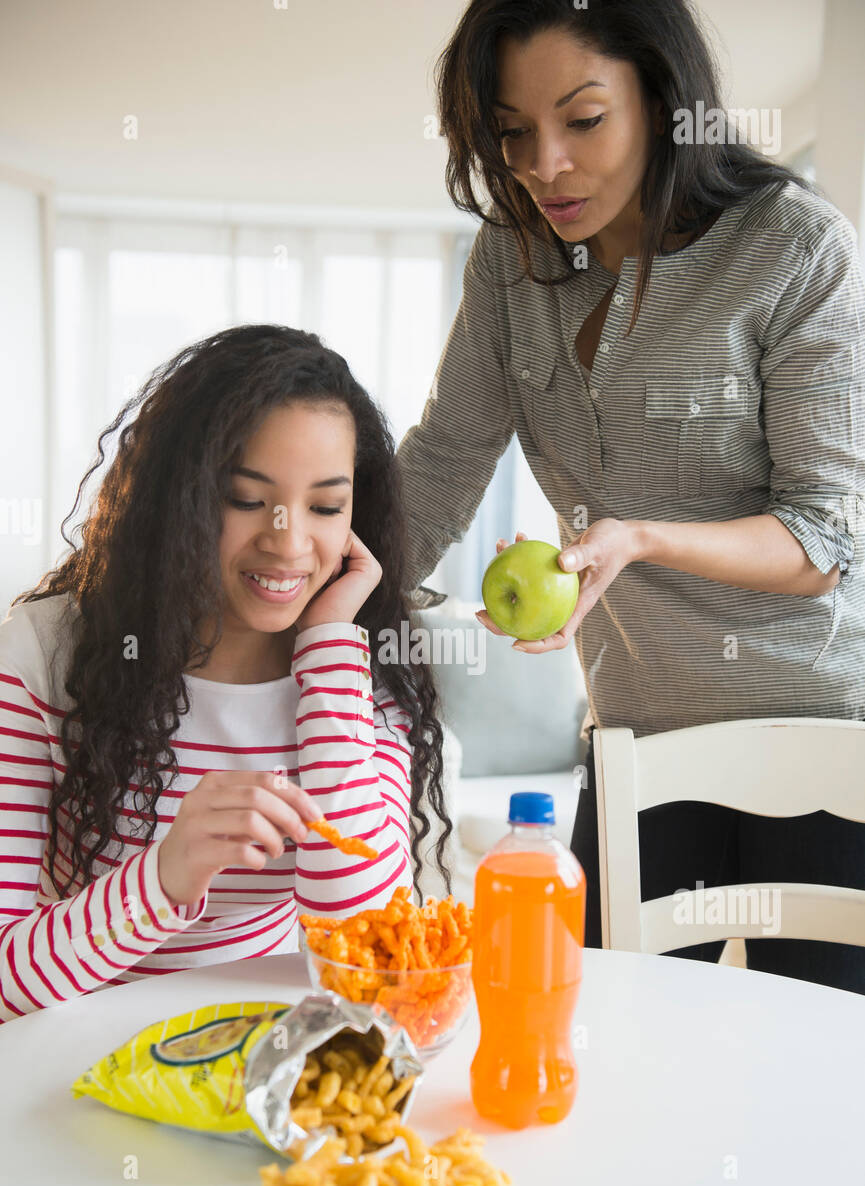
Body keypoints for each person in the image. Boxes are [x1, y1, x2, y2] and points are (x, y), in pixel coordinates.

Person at [396, 0, 865, 990]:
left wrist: (640, 538)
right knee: (602, 1029)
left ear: (661, 97)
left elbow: (822, 539)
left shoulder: (794, 249)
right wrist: (318, 580)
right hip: (635, 734)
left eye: (584, 119)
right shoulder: (507, 264)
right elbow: (441, 463)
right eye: (511, 132)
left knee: (820, 1067)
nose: (545, 166)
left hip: (824, 732)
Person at [0, 325, 453, 1022]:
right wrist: (163, 877)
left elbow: (364, 941)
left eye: (326, 506)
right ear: (175, 499)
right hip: (75, 1045)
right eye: (246, 498)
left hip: (260, 1045)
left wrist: (328, 645)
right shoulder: (42, 658)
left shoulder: (364, 665)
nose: (289, 542)